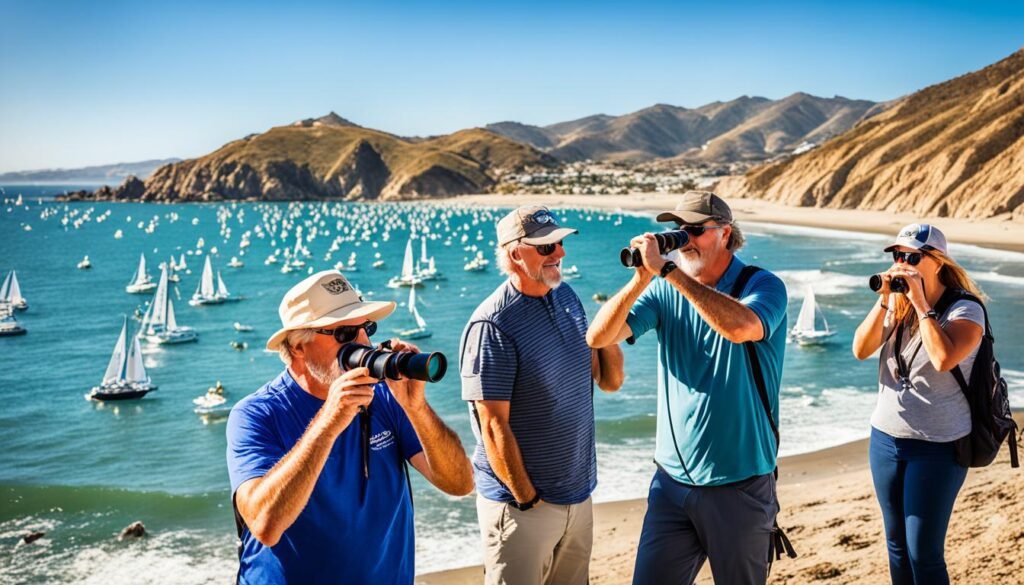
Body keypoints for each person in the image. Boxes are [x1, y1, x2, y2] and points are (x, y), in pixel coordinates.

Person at [587, 190, 789, 585]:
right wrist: (639, 280)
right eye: (677, 230)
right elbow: (599, 336)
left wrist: (668, 272)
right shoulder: (664, 290)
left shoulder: (764, 286)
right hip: (671, 484)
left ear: (725, 233)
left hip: (740, 483)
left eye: (694, 230)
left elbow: (740, 328)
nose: (683, 239)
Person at [226, 270, 474, 584]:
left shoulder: (385, 398)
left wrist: (417, 408)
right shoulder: (256, 414)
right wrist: (329, 422)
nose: (362, 342)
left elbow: (460, 483)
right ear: (299, 346)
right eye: (344, 333)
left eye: (366, 327)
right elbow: (265, 525)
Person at [460, 205, 624, 585]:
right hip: (523, 508)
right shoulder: (492, 325)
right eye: (546, 247)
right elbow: (492, 425)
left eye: (560, 243)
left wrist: (610, 330)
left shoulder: (567, 297)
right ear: (516, 252)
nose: (560, 253)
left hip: (578, 496)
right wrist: (528, 499)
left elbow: (607, 380)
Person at [852, 224, 986, 585]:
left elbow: (944, 358)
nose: (902, 264)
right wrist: (885, 301)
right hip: (884, 440)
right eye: (897, 256)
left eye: (912, 257)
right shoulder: (895, 307)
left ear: (937, 262)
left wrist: (920, 304)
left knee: (923, 553)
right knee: (896, 546)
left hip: (938, 447)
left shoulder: (966, 310)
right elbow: (861, 349)